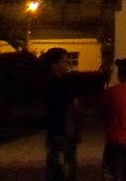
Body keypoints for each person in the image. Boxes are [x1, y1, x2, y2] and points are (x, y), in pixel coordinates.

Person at [41, 46, 105, 181]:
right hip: (62, 131)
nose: (67, 64)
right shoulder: (60, 83)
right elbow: (72, 105)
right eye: (64, 61)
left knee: (59, 167)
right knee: (64, 168)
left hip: (60, 131)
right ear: (55, 65)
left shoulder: (51, 82)